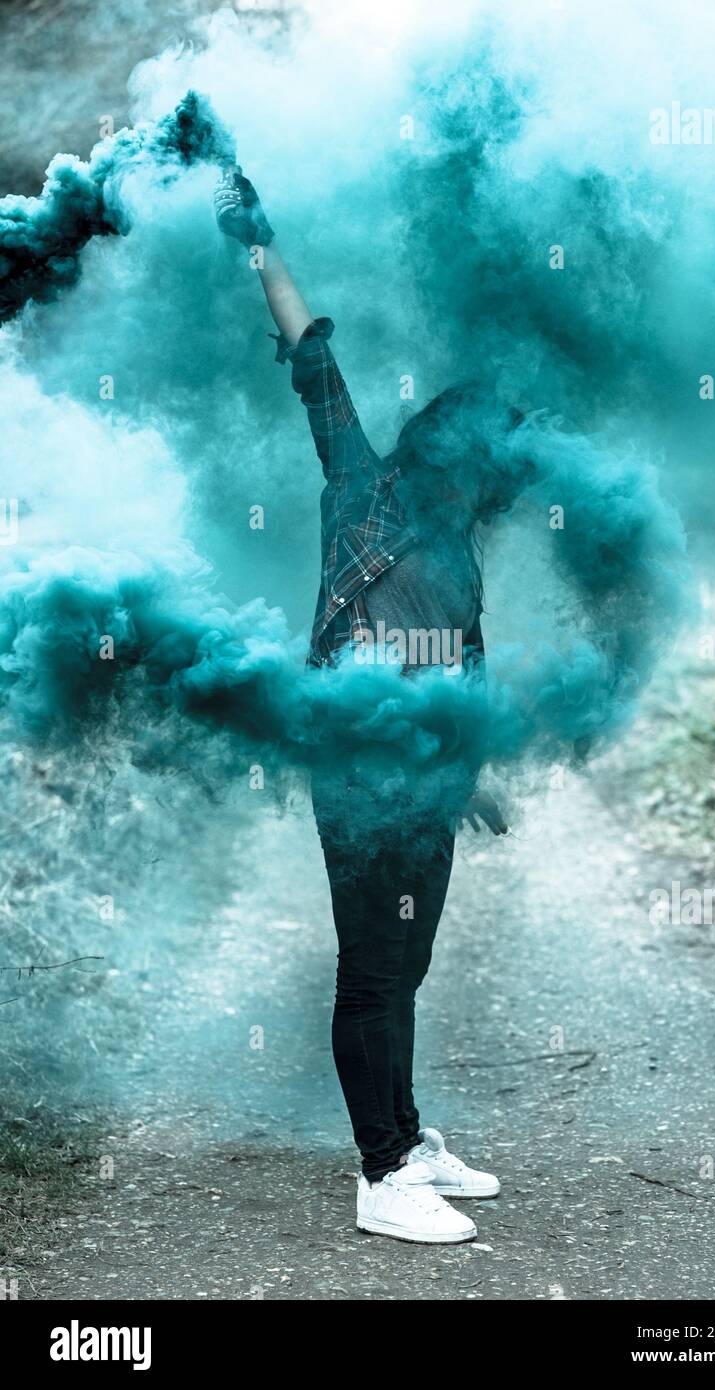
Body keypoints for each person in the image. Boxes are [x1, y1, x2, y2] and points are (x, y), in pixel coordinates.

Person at [215, 167, 536, 1244]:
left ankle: (406, 1133)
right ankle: (382, 1172)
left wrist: (469, 773)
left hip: (427, 780)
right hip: (359, 766)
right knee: (371, 969)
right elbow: (312, 359)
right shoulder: (363, 486)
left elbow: (460, 667)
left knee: (411, 963)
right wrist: (257, 241)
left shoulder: (460, 549)